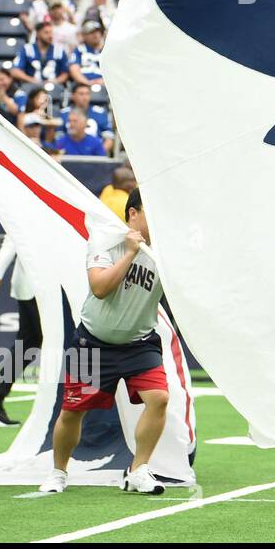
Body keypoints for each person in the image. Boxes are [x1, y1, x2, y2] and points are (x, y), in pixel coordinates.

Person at [40, 189, 170, 495]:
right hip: (94, 343)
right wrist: (131, 253)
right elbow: (99, 288)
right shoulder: (105, 240)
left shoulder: (167, 251)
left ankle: (138, 470)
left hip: (139, 343)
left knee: (159, 399)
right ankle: (58, 472)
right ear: (133, 213)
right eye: (151, 211)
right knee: (73, 411)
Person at [0, 232, 41, 427]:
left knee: (29, 343)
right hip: (33, 286)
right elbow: (12, 238)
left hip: (56, 284)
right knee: (30, 343)